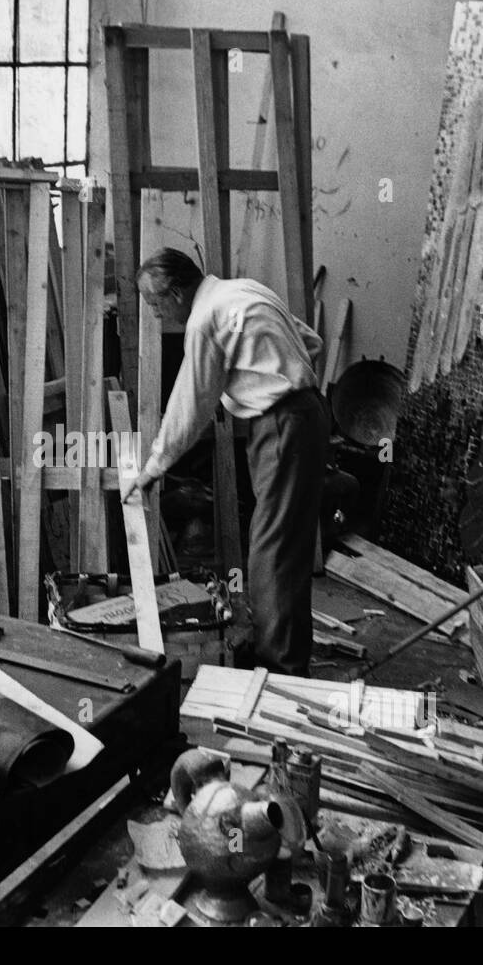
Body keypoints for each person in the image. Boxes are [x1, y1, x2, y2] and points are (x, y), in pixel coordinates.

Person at [120, 249, 329, 676]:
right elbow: (312, 341)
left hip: (281, 424)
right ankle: (280, 648)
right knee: (285, 544)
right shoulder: (242, 290)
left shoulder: (203, 319)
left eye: (156, 305)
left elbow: (189, 402)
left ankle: (281, 667)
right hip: (303, 414)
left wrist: (154, 467)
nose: (157, 315)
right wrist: (268, 375)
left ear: (177, 292)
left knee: (272, 549)